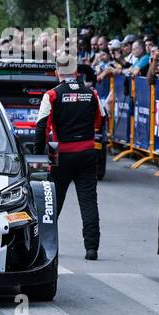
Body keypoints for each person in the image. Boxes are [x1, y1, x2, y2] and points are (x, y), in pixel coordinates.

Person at [36, 64, 104, 260]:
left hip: (61, 153)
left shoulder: (52, 94)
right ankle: (91, 248)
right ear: (76, 73)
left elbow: (42, 128)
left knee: (53, 202)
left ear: (57, 73)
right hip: (87, 151)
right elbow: (100, 121)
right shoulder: (91, 93)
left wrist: (38, 155)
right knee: (89, 200)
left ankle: (44, 245)